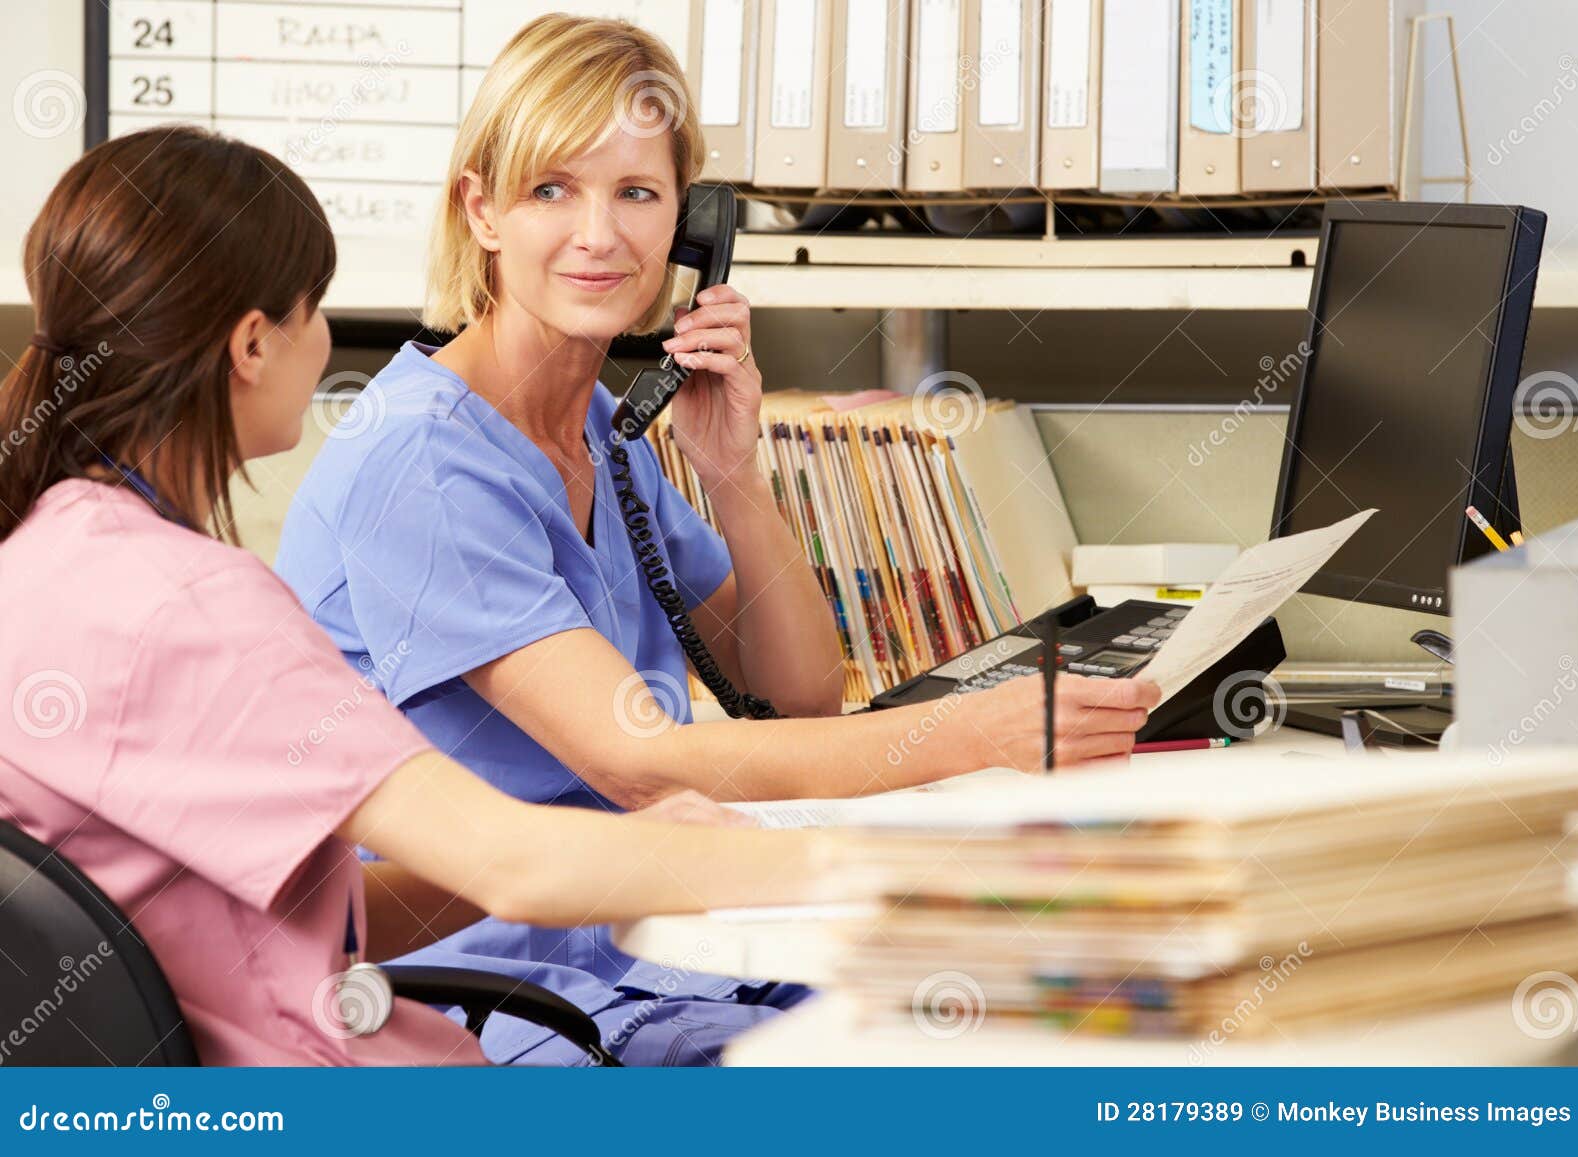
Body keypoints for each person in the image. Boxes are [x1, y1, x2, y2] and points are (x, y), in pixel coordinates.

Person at [275, 14, 1160, 1065]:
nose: (600, 235)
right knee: (934, 1053)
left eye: (636, 193)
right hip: (487, 976)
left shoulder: (605, 427)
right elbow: (639, 765)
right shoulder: (424, 459)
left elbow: (796, 693)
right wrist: (981, 734)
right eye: (552, 189)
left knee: (1077, 998)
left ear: (687, 229)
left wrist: (736, 470)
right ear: (482, 209)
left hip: (652, 927)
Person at [0, 126, 832, 1067]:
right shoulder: (200, 607)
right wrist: (910, 869)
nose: (327, 342)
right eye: (315, 308)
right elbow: (508, 862)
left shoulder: (47, 558)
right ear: (252, 344)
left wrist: (626, 848)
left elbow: (308, 910)